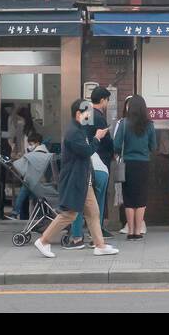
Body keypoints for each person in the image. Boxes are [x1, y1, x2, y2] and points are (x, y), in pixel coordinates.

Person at [34, 100, 119, 258]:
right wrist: (97, 138)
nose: (89, 117)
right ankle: (43, 240)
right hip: (75, 179)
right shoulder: (73, 132)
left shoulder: (78, 129)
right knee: (69, 214)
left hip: (83, 179)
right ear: (78, 114)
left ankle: (100, 245)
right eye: (88, 113)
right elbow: (86, 151)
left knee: (93, 212)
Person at [70, 93, 113, 247]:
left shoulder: (77, 131)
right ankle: (96, 238)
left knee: (79, 205)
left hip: (89, 170)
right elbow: (92, 148)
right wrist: (98, 139)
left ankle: (77, 237)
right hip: (99, 169)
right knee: (96, 206)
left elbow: (86, 150)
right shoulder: (95, 120)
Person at [113, 94, 155, 240]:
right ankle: (138, 231)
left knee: (129, 198)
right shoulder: (149, 125)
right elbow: (153, 145)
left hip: (127, 164)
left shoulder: (124, 123)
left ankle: (130, 231)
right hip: (143, 164)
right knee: (141, 197)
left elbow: (116, 145)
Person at [8, 131, 51, 220]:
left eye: (31, 144)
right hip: (40, 181)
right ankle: (38, 217)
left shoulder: (34, 154)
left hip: (31, 180)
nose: (29, 146)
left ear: (37, 143)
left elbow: (21, 165)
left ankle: (15, 212)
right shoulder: (46, 152)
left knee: (23, 194)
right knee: (36, 200)